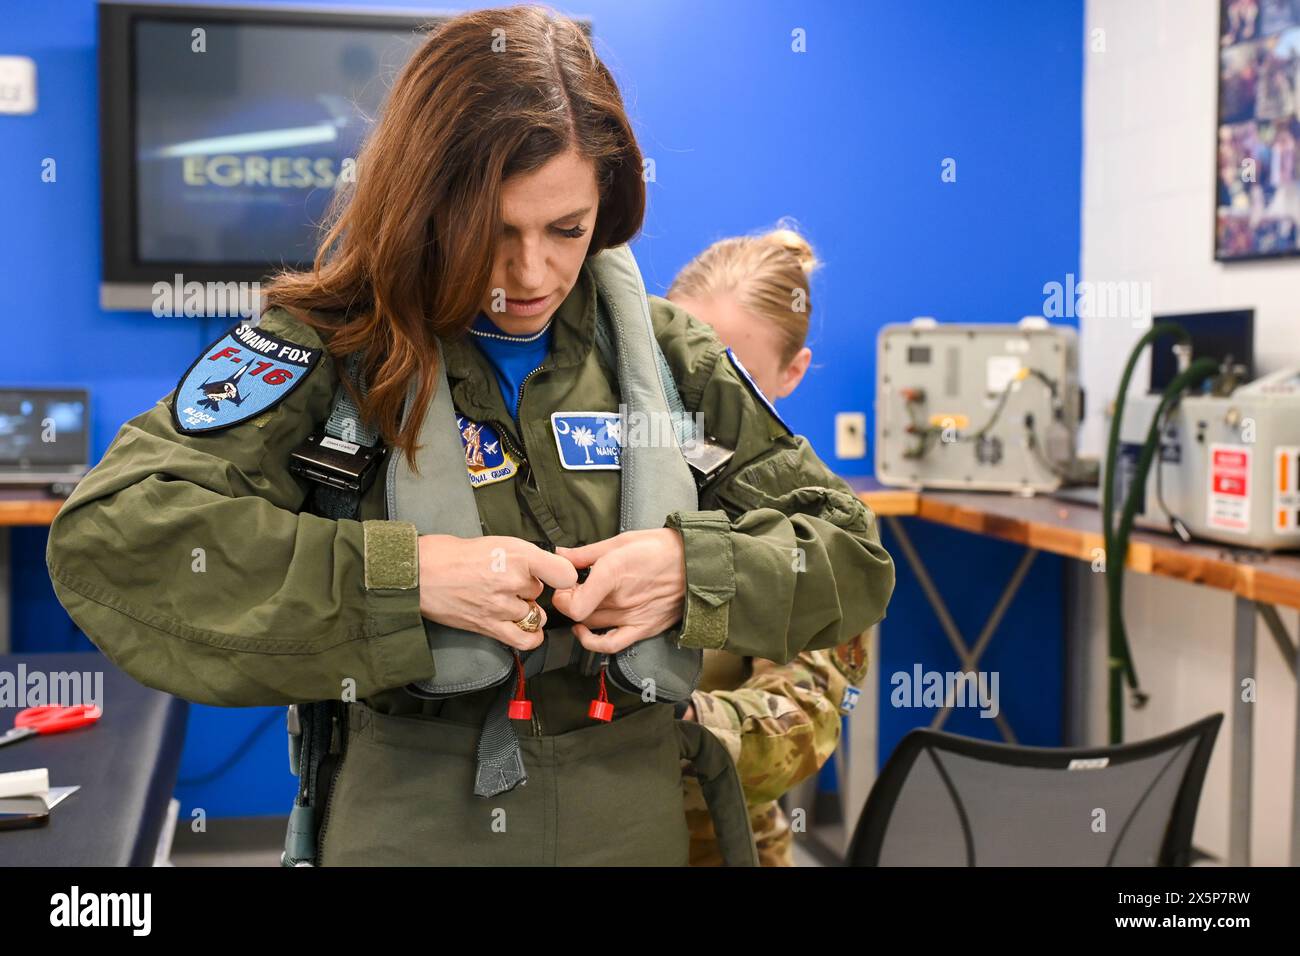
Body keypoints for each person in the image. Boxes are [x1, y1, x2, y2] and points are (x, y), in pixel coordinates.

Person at [45, 5, 894, 866]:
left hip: (634, 810)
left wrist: (691, 570)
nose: (532, 275)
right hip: (413, 814)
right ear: (424, 204)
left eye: (568, 229)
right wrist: (406, 578)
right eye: (494, 232)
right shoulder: (327, 345)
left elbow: (848, 552)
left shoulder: (674, 356)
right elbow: (113, 542)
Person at [667, 224, 871, 866]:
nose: (703, 404)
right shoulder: (594, 472)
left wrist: (672, 729)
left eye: (739, 382)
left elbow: (802, 719)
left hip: (718, 842)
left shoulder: (816, 525)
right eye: (679, 370)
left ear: (792, 373)